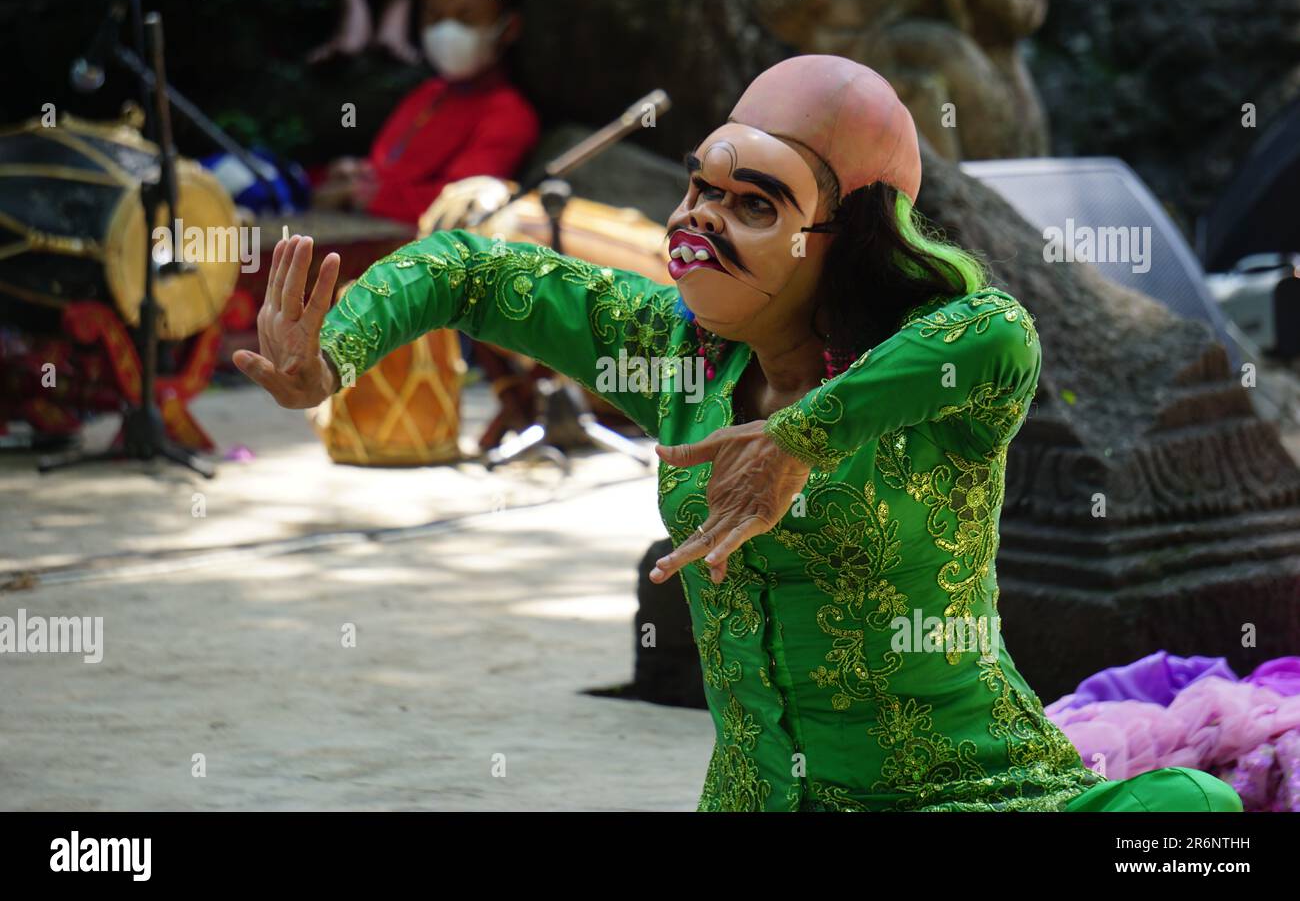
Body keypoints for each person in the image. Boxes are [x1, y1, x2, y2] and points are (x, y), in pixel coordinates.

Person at [233, 55, 1243, 812]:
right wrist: (335, 354)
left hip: (970, 795)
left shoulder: (933, 364)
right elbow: (468, 267)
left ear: (843, 241)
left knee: (1192, 816)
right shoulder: (670, 350)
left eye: (751, 202)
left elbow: (1003, 330)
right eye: (699, 188)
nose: (698, 222)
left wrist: (803, 432)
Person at [314, 0, 539, 225]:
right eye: (435, 16)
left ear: (509, 29)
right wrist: (355, 174)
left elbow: (459, 206)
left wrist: (364, 196)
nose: (446, 30)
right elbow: (387, 169)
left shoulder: (509, 115)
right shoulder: (427, 93)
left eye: (465, 18)